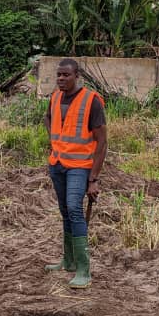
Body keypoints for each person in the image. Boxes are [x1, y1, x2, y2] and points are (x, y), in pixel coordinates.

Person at [43, 58, 107, 289]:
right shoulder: (55, 97)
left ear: (76, 75)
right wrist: (53, 140)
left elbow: (102, 142)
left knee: (74, 209)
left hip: (80, 166)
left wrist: (94, 179)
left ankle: (83, 269)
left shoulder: (92, 101)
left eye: (66, 75)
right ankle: (68, 261)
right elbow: (47, 117)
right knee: (65, 211)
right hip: (58, 164)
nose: (61, 79)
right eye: (58, 75)